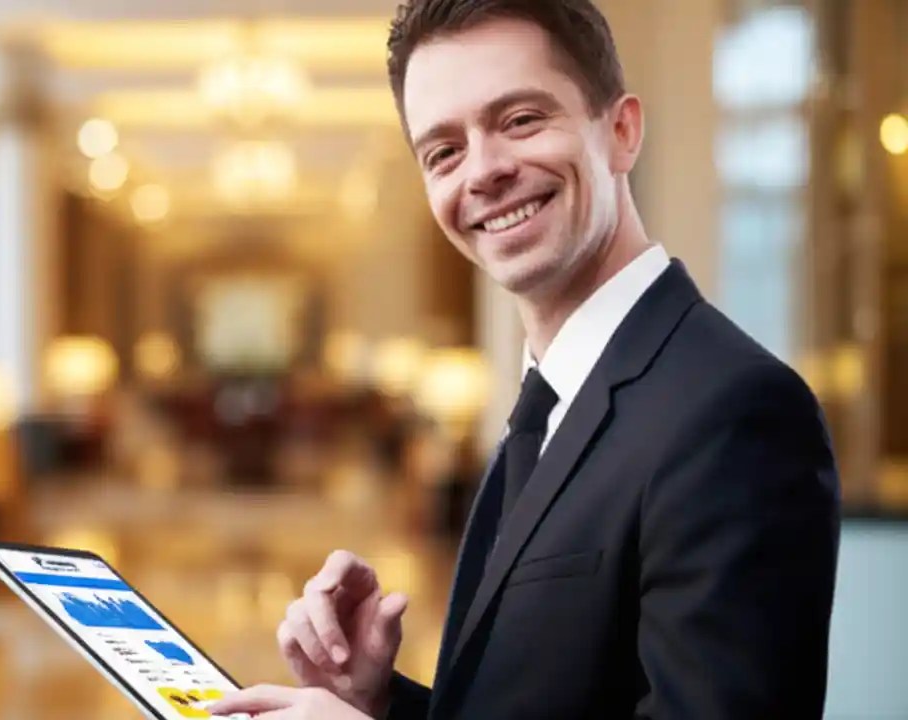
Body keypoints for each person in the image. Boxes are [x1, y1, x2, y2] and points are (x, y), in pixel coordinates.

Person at [208, 0, 841, 718]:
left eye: (520, 120)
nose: (483, 172)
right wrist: (378, 703)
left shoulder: (733, 410)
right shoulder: (551, 403)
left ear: (622, 132)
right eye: (443, 151)